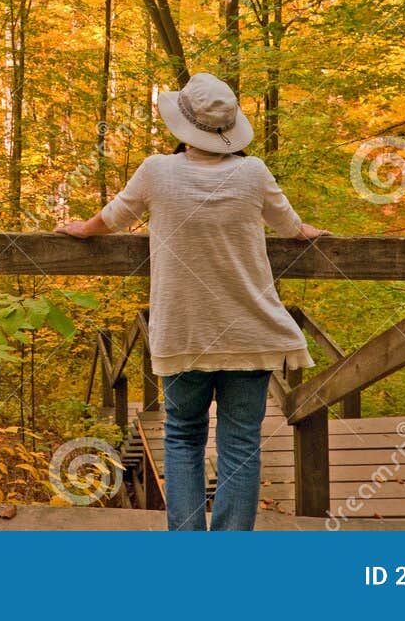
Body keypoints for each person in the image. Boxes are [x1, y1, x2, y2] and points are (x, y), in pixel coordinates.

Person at [58, 73, 327, 530]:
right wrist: (310, 234)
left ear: (183, 126)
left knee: (182, 438)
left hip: (183, 332)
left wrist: (82, 229)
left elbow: (112, 218)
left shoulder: (157, 171)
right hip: (249, 332)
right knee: (240, 443)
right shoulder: (254, 172)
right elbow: (291, 227)